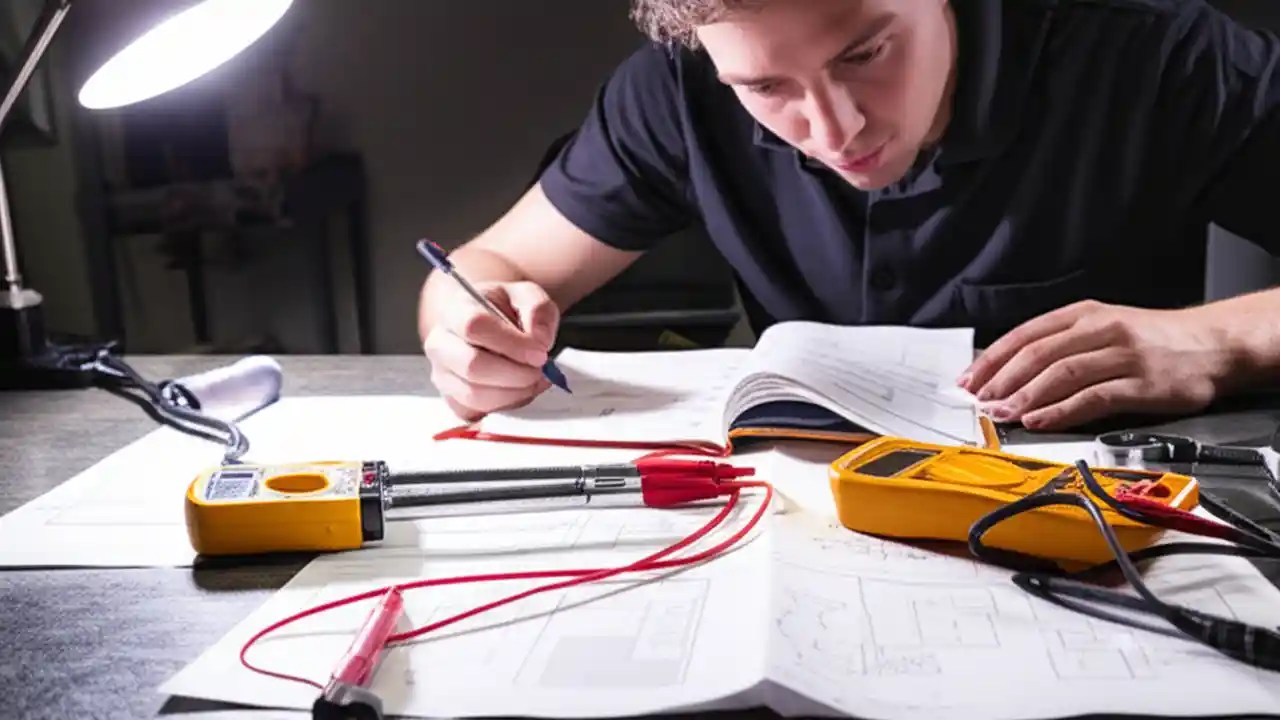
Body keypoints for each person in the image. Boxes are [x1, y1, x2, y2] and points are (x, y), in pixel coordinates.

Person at [418, 0, 1280, 431]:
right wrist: (470, 331)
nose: (835, 130)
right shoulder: (676, 90)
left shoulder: (1156, 53)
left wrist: (1220, 341)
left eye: (866, 52)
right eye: (763, 88)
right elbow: (487, 268)